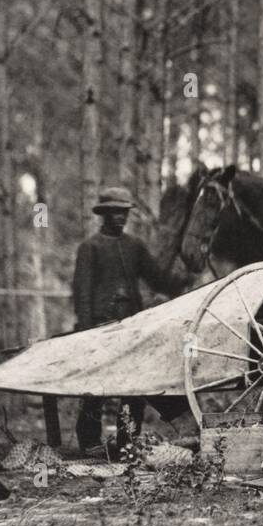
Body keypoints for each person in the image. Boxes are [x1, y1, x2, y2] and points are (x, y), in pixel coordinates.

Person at [72, 187, 187, 453]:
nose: (121, 217)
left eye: (124, 212)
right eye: (115, 212)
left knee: (135, 386)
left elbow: (157, 278)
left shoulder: (134, 247)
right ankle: (89, 442)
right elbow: (83, 293)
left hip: (132, 327)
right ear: (104, 214)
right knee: (95, 386)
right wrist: (86, 331)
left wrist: (182, 280)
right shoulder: (90, 248)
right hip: (101, 328)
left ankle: (128, 441)